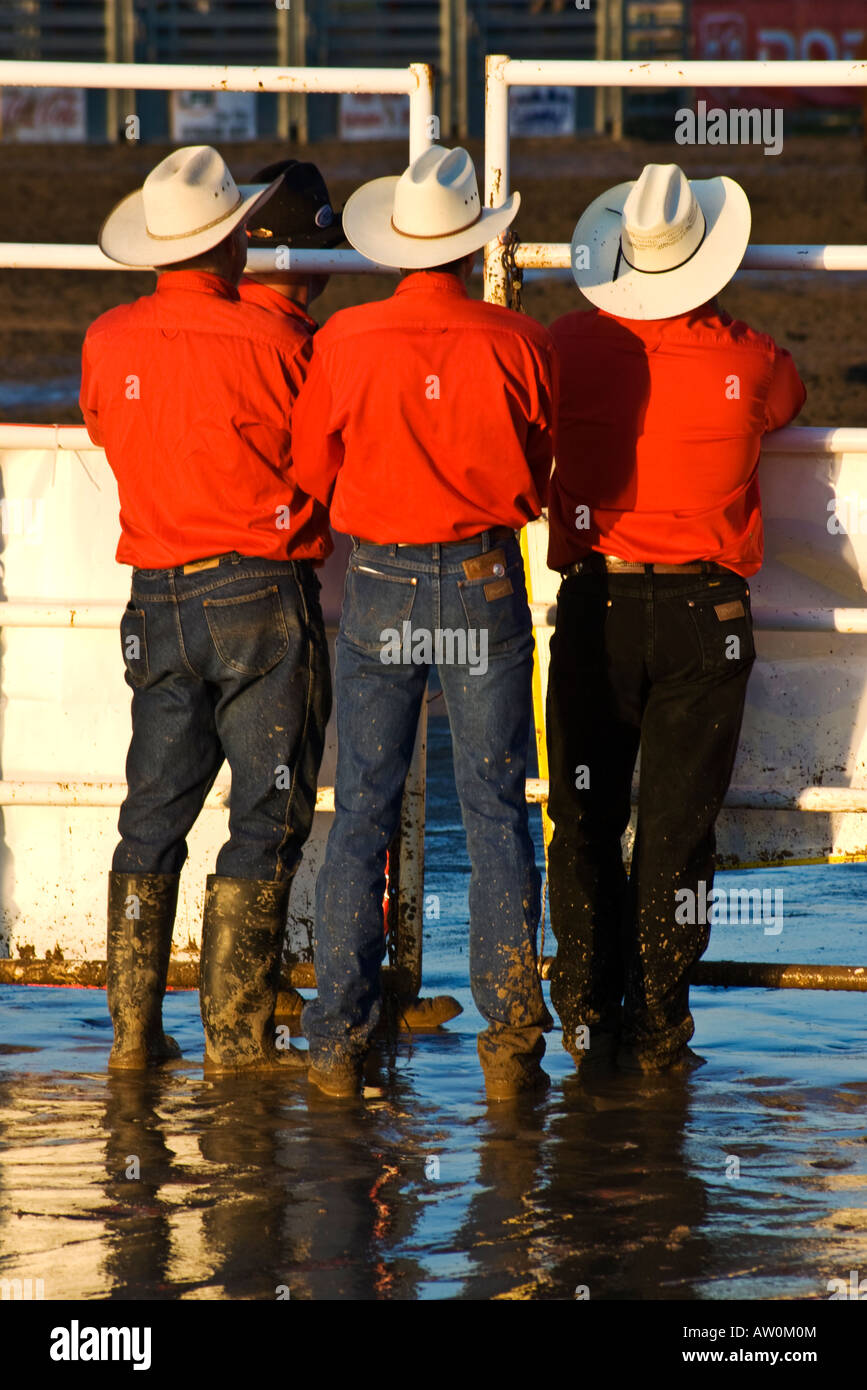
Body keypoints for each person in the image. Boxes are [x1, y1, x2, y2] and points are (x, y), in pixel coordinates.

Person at [291, 144, 559, 1101]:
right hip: (482, 574)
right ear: (469, 248)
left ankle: (337, 1037)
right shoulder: (517, 345)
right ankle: (510, 1036)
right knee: (495, 811)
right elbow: (537, 470)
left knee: (363, 804)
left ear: (398, 246)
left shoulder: (345, 343)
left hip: (380, 580)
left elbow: (309, 474)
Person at [545, 162, 806, 1073]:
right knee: (675, 825)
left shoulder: (565, 349)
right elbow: (788, 401)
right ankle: (659, 1025)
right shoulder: (747, 358)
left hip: (596, 606)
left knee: (581, 815)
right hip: (705, 610)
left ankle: (583, 1014)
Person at [80, 145, 332, 1074]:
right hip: (258, 588)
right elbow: (320, 461)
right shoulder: (280, 344)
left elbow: (109, 428)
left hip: (158, 593)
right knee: (263, 817)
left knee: (150, 819)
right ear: (233, 240)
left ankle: (132, 1035)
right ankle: (235, 1038)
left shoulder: (107, 339)